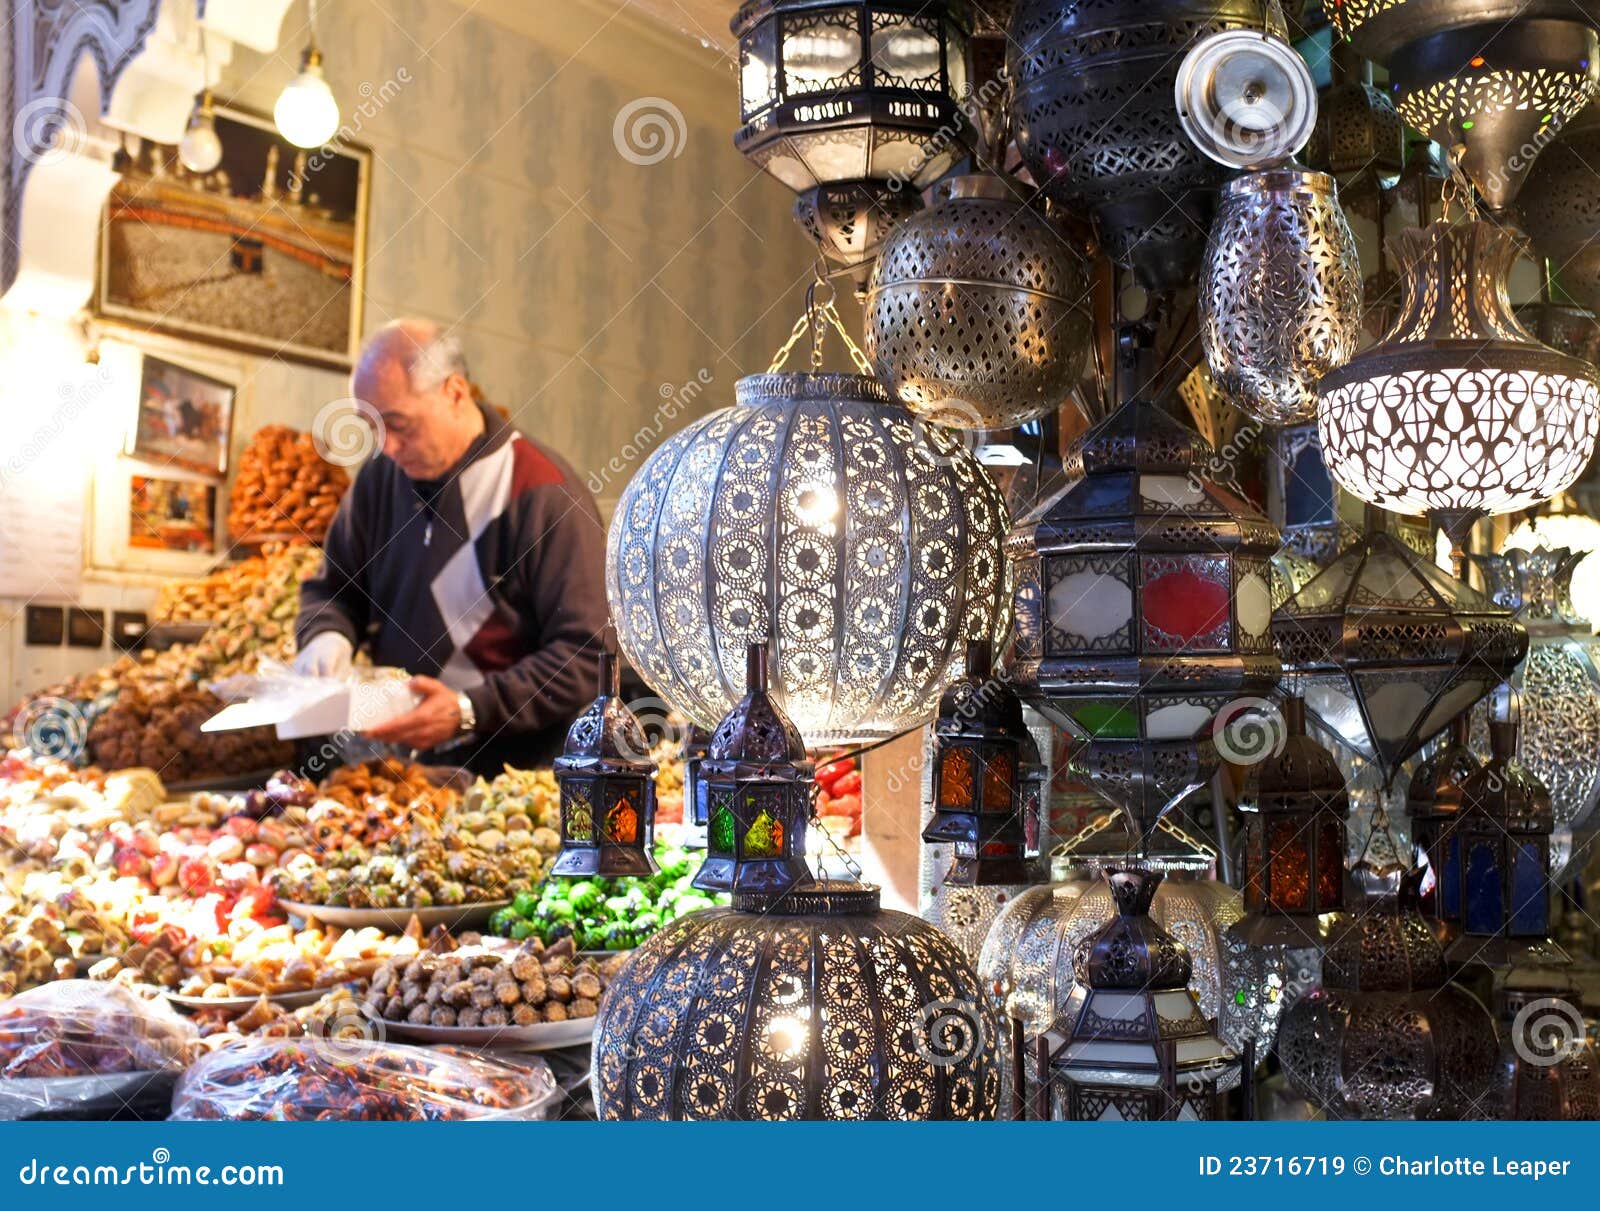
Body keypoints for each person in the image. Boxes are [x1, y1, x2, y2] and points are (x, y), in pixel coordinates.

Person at [293, 317, 609, 774]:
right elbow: (333, 590)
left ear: (455, 393)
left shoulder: (543, 491)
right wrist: (326, 635)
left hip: (508, 777)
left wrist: (469, 709)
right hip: (396, 769)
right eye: (371, 427)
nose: (388, 446)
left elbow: (587, 656)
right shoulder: (379, 479)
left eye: (400, 425)